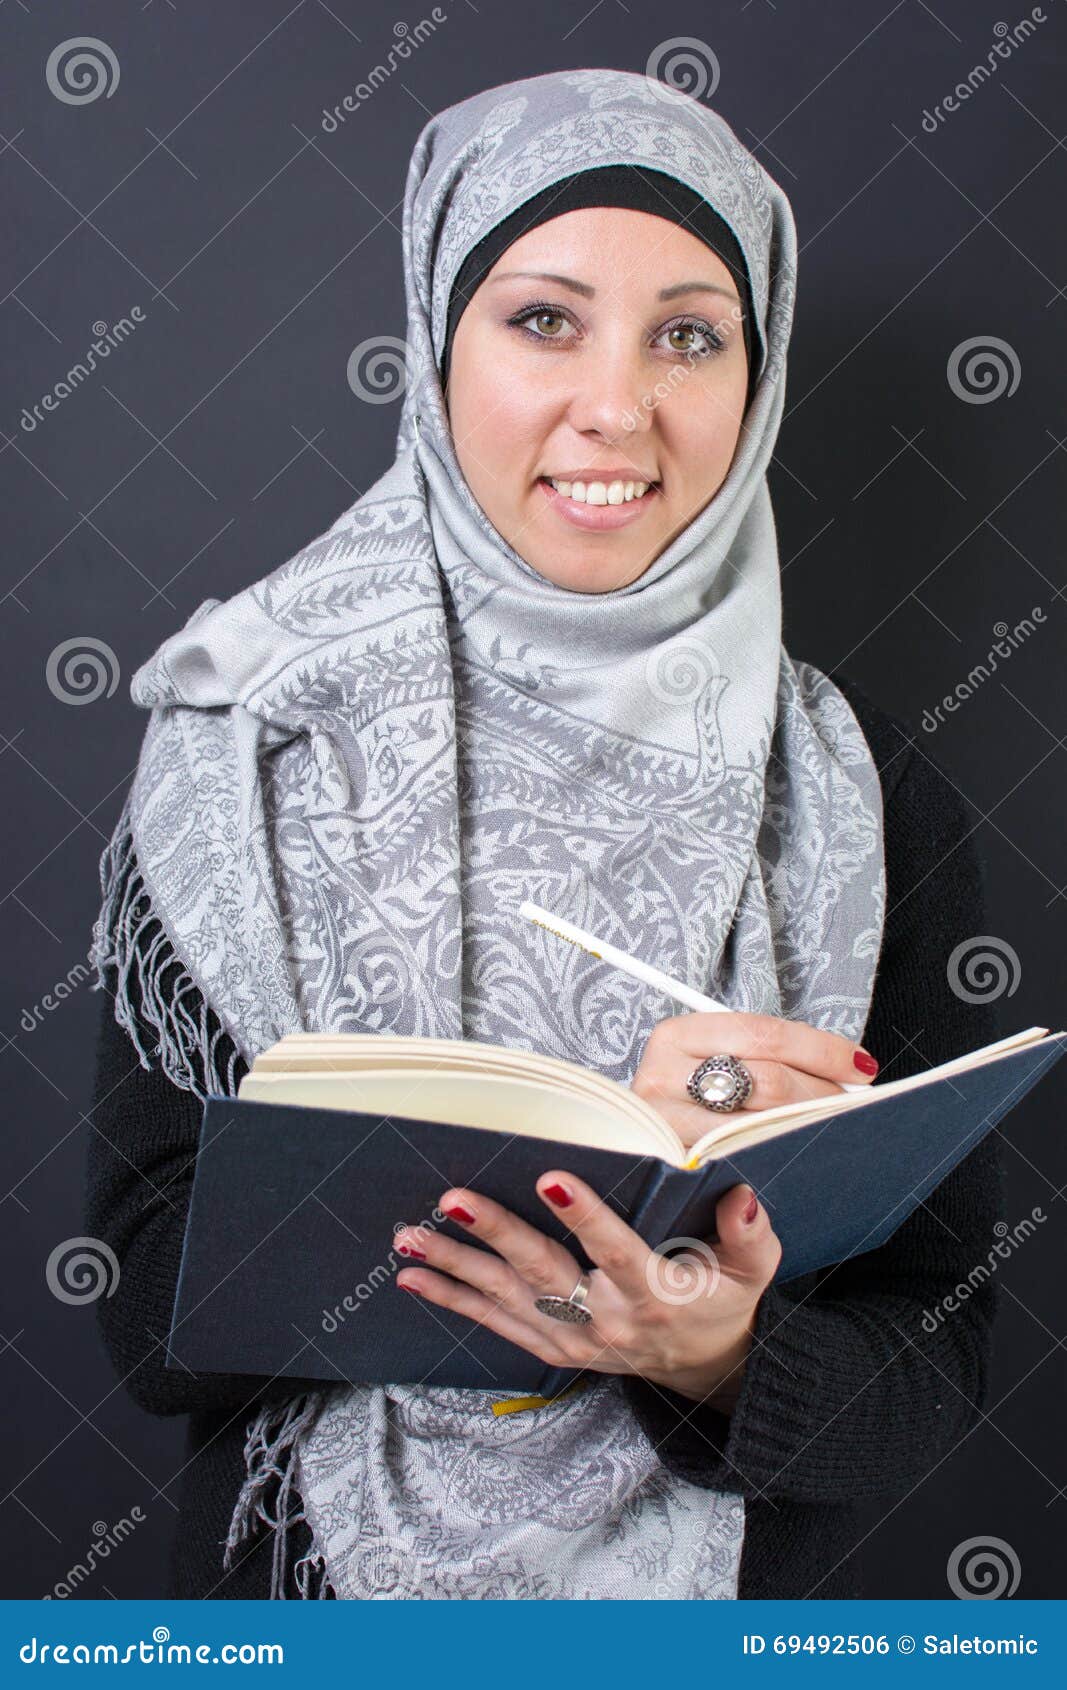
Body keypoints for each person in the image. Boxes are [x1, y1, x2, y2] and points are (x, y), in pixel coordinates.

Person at [86, 67, 1001, 1601]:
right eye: (544, 319)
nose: (617, 407)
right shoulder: (249, 738)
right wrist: (548, 1182)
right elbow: (144, 1315)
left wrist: (722, 1356)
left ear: (754, 381)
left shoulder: (855, 791)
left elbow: (941, 1340)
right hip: (303, 1602)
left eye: (689, 336)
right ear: (439, 346)